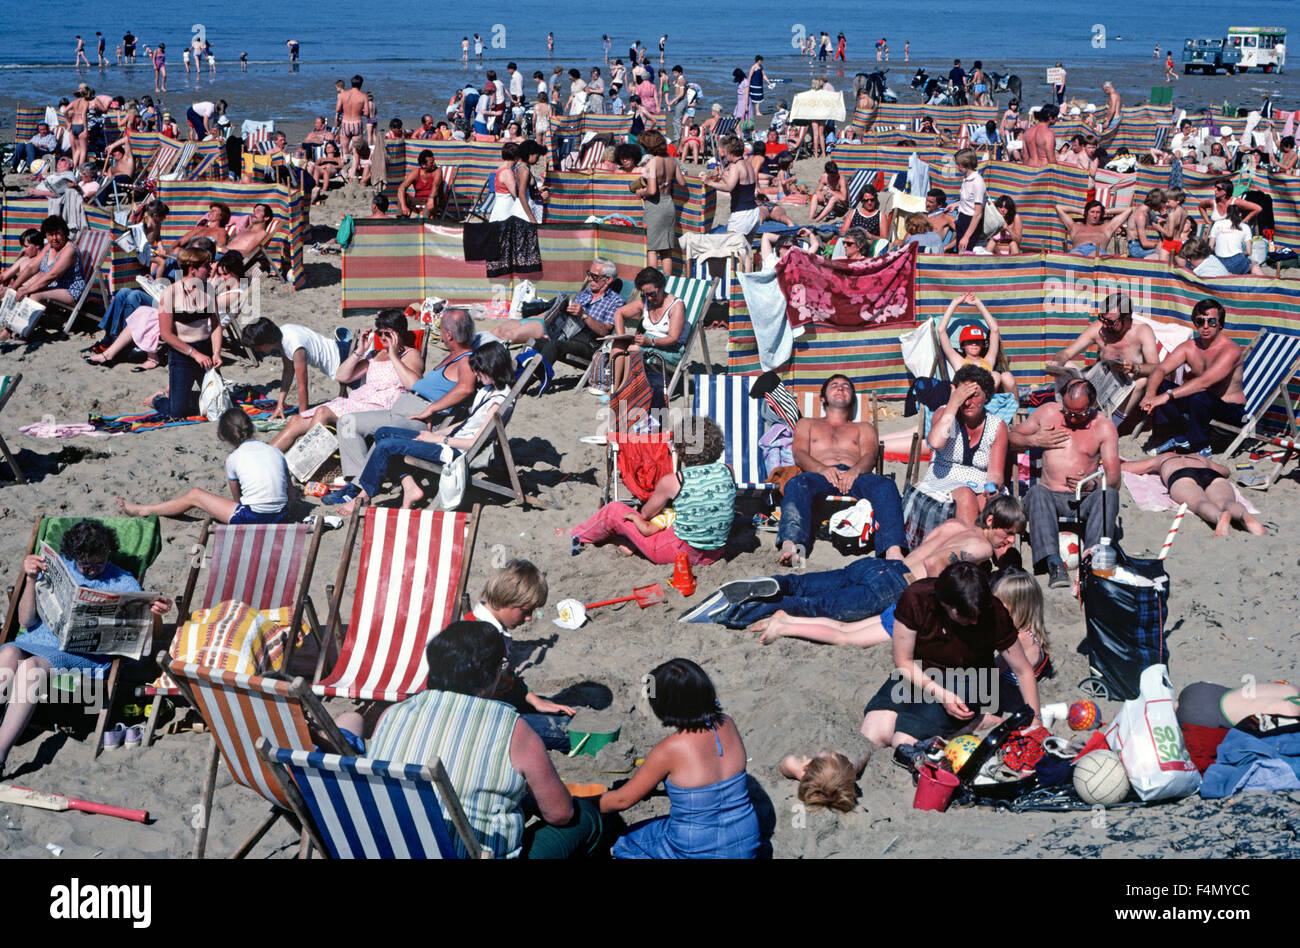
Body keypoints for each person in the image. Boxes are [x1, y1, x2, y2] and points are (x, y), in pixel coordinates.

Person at [337, 620, 608, 859]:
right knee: (586, 818)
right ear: (491, 675)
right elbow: (560, 814)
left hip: (397, 848)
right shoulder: (513, 729)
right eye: (503, 666)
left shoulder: (392, 715)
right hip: (471, 852)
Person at [719, 496, 1025, 636]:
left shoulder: (956, 524)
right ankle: (737, 614)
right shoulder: (983, 547)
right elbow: (935, 564)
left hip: (880, 567)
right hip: (894, 587)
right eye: (1007, 533)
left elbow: (926, 548)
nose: (1009, 541)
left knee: (806, 583)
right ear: (990, 521)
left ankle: (776, 582)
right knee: (816, 607)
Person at [0, 521, 172, 772]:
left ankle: (0, 753)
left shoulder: (123, 582)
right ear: (73, 557)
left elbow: (147, 638)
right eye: (85, 566)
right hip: (37, 639)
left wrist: (156, 614)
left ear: (107, 554)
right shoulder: (56, 568)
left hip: (82, 655)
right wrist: (30, 579)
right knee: (7, 653)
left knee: (30, 668)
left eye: (98, 564)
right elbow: (26, 621)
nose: (92, 571)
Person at [860, 562, 1040, 748]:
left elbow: (1023, 670)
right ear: (945, 603)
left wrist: (1035, 722)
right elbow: (903, 661)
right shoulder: (917, 598)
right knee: (874, 735)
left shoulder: (993, 612)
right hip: (919, 672)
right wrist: (940, 694)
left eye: (979, 614)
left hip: (968, 678)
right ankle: (969, 724)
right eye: (967, 615)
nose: (975, 621)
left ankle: (973, 721)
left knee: (904, 741)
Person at [600, 659, 759, 859]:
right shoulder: (727, 723)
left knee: (627, 841)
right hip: (745, 840)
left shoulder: (670, 749)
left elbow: (622, 800)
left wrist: (585, 803)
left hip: (696, 846)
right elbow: (709, 785)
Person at [334, 343, 514, 515]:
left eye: (479, 369)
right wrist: (435, 434)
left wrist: (437, 440)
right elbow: (467, 423)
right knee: (383, 432)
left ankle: (364, 496)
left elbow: (473, 442)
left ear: (492, 367)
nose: (475, 373)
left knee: (387, 445)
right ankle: (410, 486)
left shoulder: (500, 401)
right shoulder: (487, 391)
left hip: (454, 452)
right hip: (447, 441)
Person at [324, 308, 478, 504]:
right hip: (400, 409)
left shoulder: (465, 359)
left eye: (441, 330)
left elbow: (466, 388)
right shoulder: (452, 356)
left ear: (449, 334)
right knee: (347, 422)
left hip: (418, 416)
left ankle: (357, 489)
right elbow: (342, 377)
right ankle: (356, 478)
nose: (439, 334)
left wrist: (433, 408)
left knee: (385, 432)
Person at [775, 374, 905, 566]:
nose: (841, 388)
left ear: (852, 397)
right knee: (796, 483)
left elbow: (870, 455)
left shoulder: (863, 427)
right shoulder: (807, 423)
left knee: (885, 485)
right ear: (823, 399)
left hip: (856, 475)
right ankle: (792, 544)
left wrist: (855, 472)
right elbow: (800, 454)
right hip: (818, 475)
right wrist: (823, 469)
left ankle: (893, 549)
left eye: (846, 386)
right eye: (834, 385)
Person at [570, 417, 734, 565]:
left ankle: (576, 534)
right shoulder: (728, 470)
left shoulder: (674, 481)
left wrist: (637, 515)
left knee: (613, 511)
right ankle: (627, 544)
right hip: (715, 552)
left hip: (680, 553)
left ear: (681, 447)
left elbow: (646, 514)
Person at [1010, 378, 1120, 588]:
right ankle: (1054, 564)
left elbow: (1114, 479)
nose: (1070, 418)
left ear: (1092, 406)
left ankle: (1092, 564)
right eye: (1067, 411)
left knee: (1109, 495)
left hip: (1083, 498)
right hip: (1050, 495)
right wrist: (1033, 441)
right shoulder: (1049, 412)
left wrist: (1092, 485)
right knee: (1036, 492)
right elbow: (1011, 436)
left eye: (1078, 413)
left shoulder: (1103, 427)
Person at [270, 309, 424, 453]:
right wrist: (359, 352)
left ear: (399, 333)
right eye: (379, 333)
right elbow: (341, 376)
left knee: (322, 412)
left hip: (380, 409)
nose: (383, 337)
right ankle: (263, 458)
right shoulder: (376, 355)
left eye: (388, 334)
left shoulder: (411, 355)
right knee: (296, 421)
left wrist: (394, 356)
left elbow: (414, 385)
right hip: (360, 402)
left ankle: (303, 462)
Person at [468, 560, 575, 750]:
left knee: (555, 715)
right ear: (504, 600)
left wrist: (535, 701)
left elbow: (505, 676)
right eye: (526, 611)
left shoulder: (479, 620)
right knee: (567, 733)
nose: (529, 619)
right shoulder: (485, 640)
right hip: (477, 722)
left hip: (490, 703)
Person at [118, 408, 289, 525]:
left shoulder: (233, 459)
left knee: (195, 495)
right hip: (282, 516)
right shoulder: (275, 452)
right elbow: (292, 495)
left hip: (254, 518)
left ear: (224, 437)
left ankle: (145, 510)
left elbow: (237, 501)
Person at [902, 366, 1010, 544]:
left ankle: (1004, 561)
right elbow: (935, 443)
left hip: (980, 480)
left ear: (987, 397)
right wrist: (953, 403)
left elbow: (996, 473)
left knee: (989, 504)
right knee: (967, 496)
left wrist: (991, 487)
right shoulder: (945, 415)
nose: (967, 402)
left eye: (974, 395)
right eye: (963, 396)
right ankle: (972, 552)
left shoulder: (996, 426)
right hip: (943, 477)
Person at [1142, 298, 1245, 457]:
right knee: (1160, 384)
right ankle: (1167, 435)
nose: (1205, 326)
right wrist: (1150, 395)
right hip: (1201, 407)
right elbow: (1160, 369)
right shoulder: (1190, 347)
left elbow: (1205, 382)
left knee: (1198, 395)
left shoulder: (1230, 350)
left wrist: (1166, 396)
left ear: (1220, 324)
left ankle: (1199, 446)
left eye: (1211, 321)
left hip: (1228, 412)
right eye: (1200, 321)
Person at [1052, 291, 1159, 424]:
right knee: (1066, 366)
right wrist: (1057, 362)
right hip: (1097, 389)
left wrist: (1134, 367)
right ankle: (1068, 413)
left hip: (1124, 394)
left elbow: (1157, 367)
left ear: (1126, 318)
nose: (1104, 325)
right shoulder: (1099, 329)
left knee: (1142, 381)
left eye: (1110, 321)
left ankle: (1112, 425)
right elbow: (1067, 353)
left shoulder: (1142, 331)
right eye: (1102, 318)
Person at [1123, 452, 1265, 536]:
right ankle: (1244, 515)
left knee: (1200, 503)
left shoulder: (1163, 457)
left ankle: (1219, 517)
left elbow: (1132, 468)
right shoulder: (1199, 457)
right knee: (1226, 502)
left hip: (1182, 475)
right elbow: (1225, 471)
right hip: (1210, 474)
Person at [239, 317, 352, 419]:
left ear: (266, 341)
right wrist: (280, 404)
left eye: (257, 347)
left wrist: (302, 416)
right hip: (341, 354)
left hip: (343, 360)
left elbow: (302, 386)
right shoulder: (284, 333)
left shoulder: (295, 346)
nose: (257, 350)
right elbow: (288, 371)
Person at [0, 216, 84, 341]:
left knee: (34, 294)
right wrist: (15, 286)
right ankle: (8, 329)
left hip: (71, 290)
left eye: (58, 234)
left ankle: (23, 332)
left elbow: (52, 275)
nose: (54, 238)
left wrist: (26, 290)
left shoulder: (69, 250)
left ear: (65, 233)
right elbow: (31, 268)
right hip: (55, 286)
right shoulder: (49, 248)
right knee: (19, 290)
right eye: (50, 235)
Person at [605, 266, 687, 393]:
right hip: (647, 342)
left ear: (661, 287)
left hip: (670, 348)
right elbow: (619, 313)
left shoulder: (677, 306)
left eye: (652, 294)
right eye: (645, 294)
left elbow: (673, 338)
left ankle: (623, 390)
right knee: (618, 344)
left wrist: (651, 342)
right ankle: (613, 389)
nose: (649, 298)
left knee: (633, 348)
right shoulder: (645, 302)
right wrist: (621, 336)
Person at [990, 567, 1052, 712]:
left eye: (1000, 605)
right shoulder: (1031, 633)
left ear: (1018, 608)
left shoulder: (1020, 639)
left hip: (1012, 693)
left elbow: (993, 670)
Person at [486, 142, 545, 279]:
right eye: (536, 155)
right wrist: (531, 217)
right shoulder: (515, 171)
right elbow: (519, 194)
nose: (537, 159)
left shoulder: (513, 169)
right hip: (510, 211)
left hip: (509, 210)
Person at [632, 130, 684, 276]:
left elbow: (652, 190)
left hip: (655, 206)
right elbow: (682, 182)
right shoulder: (672, 160)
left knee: (652, 248)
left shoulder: (652, 164)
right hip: (669, 204)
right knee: (666, 249)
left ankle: (653, 282)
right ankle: (667, 282)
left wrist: (641, 192)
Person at [705, 137, 760, 236]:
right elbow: (739, 184)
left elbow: (729, 187)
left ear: (730, 152)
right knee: (745, 249)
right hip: (754, 212)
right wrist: (722, 176)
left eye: (725, 152)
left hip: (741, 214)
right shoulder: (748, 165)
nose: (725, 155)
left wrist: (709, 182)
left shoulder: (735, 166)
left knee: (730, 248)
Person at [778, 751, 866, 813]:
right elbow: (863, 757)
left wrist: (802, 766)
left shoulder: (802, 773)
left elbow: (786, 763)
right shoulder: (851, 770)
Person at [1055, 199, 1133, 257]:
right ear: (1086, 213)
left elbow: (1128, 210)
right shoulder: (1075, 226)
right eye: (1092, 212)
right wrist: (1079, 211)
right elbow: (1058, 208)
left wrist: (1106, 211)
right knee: (1075, 257)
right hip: (1078, 251)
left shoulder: (1106, 227)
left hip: (1097, 251)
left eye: (1098, 212)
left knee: (1094, 257)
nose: (1095, 216)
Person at [1207, 205, 1263, 275]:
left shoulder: (1217, 224)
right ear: (1240, 214)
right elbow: (1249, 252)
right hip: (1237, 260)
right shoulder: (1245, 227)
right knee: (1253, 265)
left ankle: (1229, 274)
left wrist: (1219, 249)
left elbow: (1210, 247)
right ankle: (1264, 281)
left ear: (1227, 214)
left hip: (1219, 262)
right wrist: (1241, 252)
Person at [950, 149, 985, 253]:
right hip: (962, 218)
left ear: (967, 164)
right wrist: (956, 204)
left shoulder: (977, 182)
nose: (957, 167)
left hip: (971, 222)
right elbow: (968, 200)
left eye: (959, 164)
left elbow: (978, 213)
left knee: (965, 253)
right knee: (959, 251)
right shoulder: (966, 178)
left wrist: (966, 236)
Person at [397, 149, 443, 218]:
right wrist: (404, 206)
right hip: (418, 202)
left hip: (432, 202)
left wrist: (431, 198)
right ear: (423, 165)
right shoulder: (415, 173)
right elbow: (401, 188)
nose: (434, 164)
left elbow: (435, 185)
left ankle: (420, 222)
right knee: (403, 196)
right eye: (431, 163)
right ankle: (402, 219)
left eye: (434, 161)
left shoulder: (437, 171)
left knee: (431, 202)